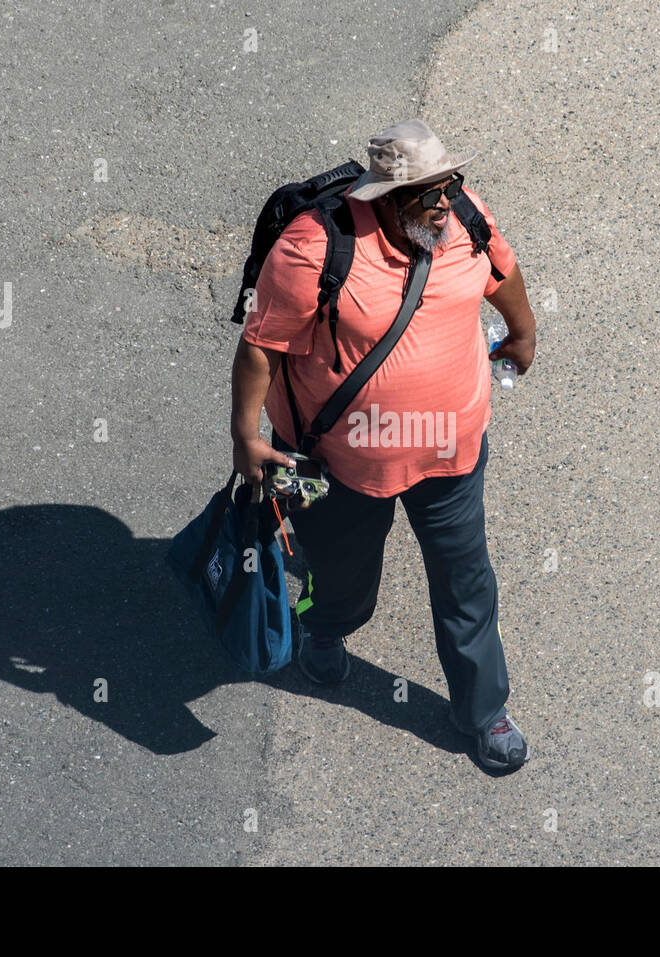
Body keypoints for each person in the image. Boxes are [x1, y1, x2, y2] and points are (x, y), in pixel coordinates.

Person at [229, 119, 536, 772]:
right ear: (384, 199)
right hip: (341, 462)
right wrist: (245, 436)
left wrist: (523, 331)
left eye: (449, 184)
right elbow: (260, 346)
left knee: (466, 580)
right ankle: (323, 625)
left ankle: (484, 710)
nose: (444, 202)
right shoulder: (315, 248)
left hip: (451, 453)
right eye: (428, 193)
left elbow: (501, 270)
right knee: (341, 576)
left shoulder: (466, 217)